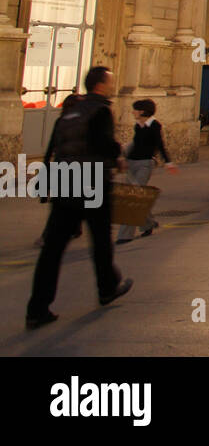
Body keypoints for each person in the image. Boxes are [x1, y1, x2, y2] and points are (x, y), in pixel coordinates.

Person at [26, 66, 132, 330]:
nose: (111, 85)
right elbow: (102, 142)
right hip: (91, 179)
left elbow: (56, 146)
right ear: (100, 85)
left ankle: (37, 308)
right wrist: (118, 156)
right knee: (100, 239)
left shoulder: (69, 112)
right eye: (109, 81)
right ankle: (107, 287)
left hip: (65, 180)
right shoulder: (100, 110)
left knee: (53, 248)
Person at [116, 98, 179, 243]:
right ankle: (148, 223)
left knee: (131, 198)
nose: (133, 112)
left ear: (143, 111)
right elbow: (135, 144)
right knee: (138, 196)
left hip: (145, 164)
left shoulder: (155, 126)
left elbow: (160, 145)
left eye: (135, 109)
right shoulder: (138, 126)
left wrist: (168, 162)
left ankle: (124, 235)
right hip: (131, 164)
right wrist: (122, 155)